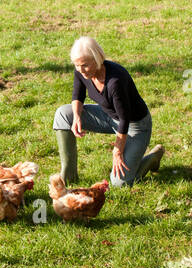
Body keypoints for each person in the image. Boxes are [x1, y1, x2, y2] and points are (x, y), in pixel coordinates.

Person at [52, 36, 164, 188]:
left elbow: (124, 119)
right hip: (108, 115)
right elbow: (77, 94)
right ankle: (69, 176)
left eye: (85, 65)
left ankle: (152, 159)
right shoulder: (81, 70)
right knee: (63, 114)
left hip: (134, 125)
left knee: (120, 182)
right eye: (77, 65)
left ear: (97, 59)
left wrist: (117, 151)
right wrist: (77, 116)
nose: (80, 70)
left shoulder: (115, 81)